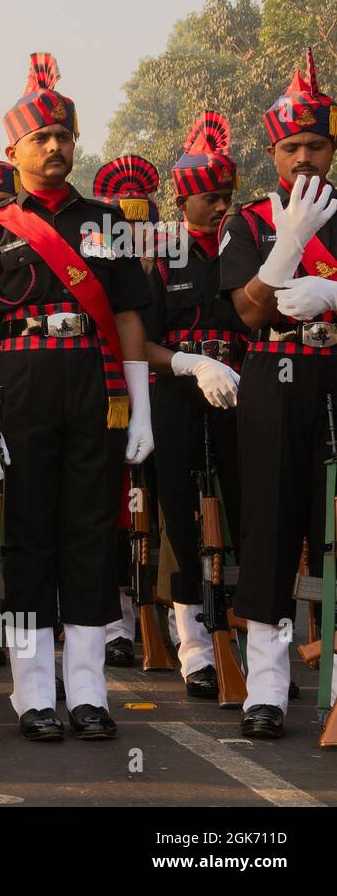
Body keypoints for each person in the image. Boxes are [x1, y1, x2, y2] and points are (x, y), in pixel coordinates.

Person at [0, 53, 153, 741]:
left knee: (92, 537)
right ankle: (33, 693)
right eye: (42, 137)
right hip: (22, 384)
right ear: (14, 150)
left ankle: (90, 692)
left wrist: (141, 405)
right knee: (27, 539)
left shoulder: (109, 220)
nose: (57, 146)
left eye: (65, 134)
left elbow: (128, 316)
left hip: (94, 388)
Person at [219, 49, 337, 738]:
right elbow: (250, 312)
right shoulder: (252, 222)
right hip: (274, 375)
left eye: (315, 145)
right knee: (269, 524)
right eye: (290, 146)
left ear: (331, 147)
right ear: (273, 150)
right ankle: (266, 683)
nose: (303, 159)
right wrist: (287, 245)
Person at [144, 111, 244, 697]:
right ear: (186, 199)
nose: (222, 206)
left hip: (235, 391)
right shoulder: (159, 254)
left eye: (228, 195)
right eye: (211, 196)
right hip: (177, 391)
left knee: (244, 507)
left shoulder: (243, 247)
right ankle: (193, 646)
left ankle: (245, 637)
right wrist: (189, 363)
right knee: (179, 515)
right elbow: (144, 342)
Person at [91, 153, 163, 668]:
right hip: (113, 399)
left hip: (170, 399)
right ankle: (115, 619)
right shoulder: (102, 276)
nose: (136, 238)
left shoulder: (167, 270)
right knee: (119, 514)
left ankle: (167, 620)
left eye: (145, 227)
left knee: (161, 517)